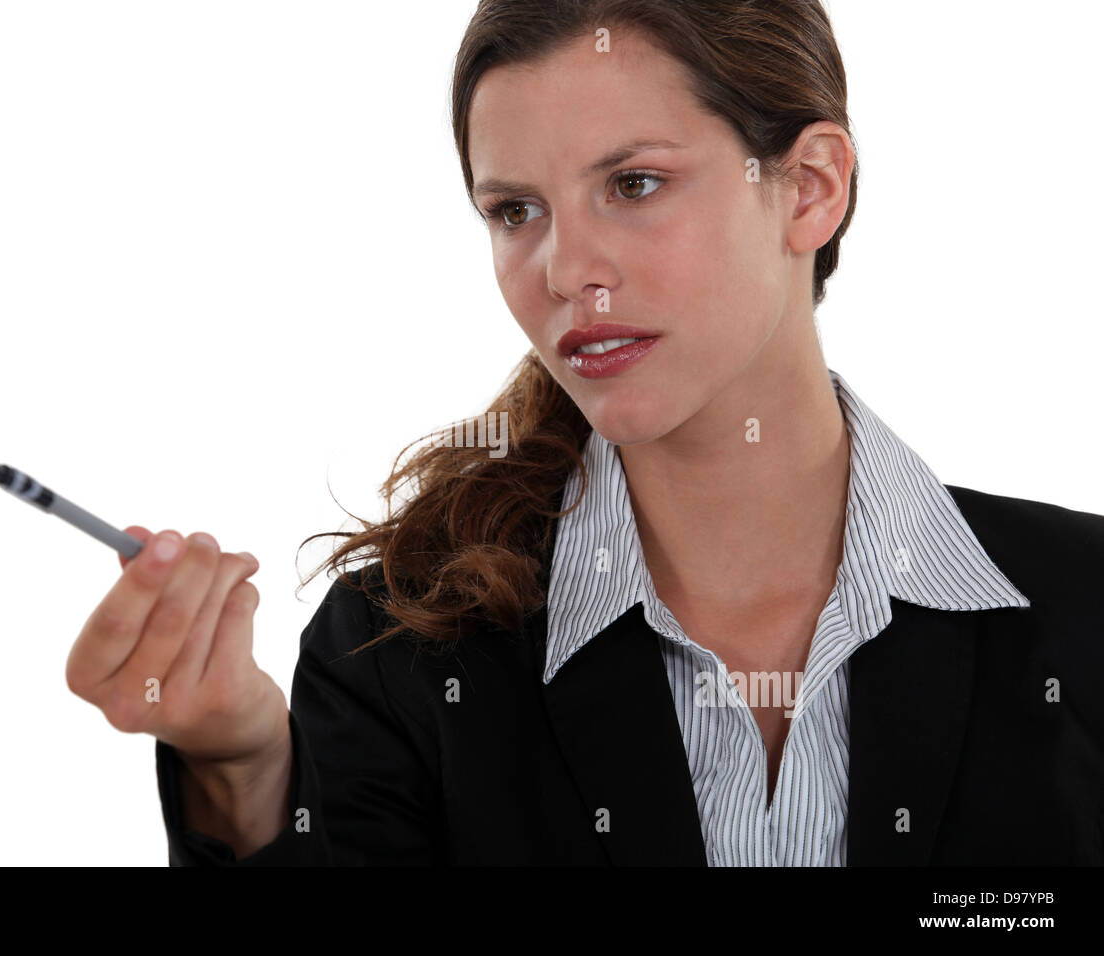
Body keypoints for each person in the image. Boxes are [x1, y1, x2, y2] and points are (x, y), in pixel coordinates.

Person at [66, 0, 1104, 865]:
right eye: (516, 210)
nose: (565, 270)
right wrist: (244, 769)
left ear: (807, 187)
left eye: (633, 184)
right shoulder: (400, 648)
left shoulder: (1084, 612)